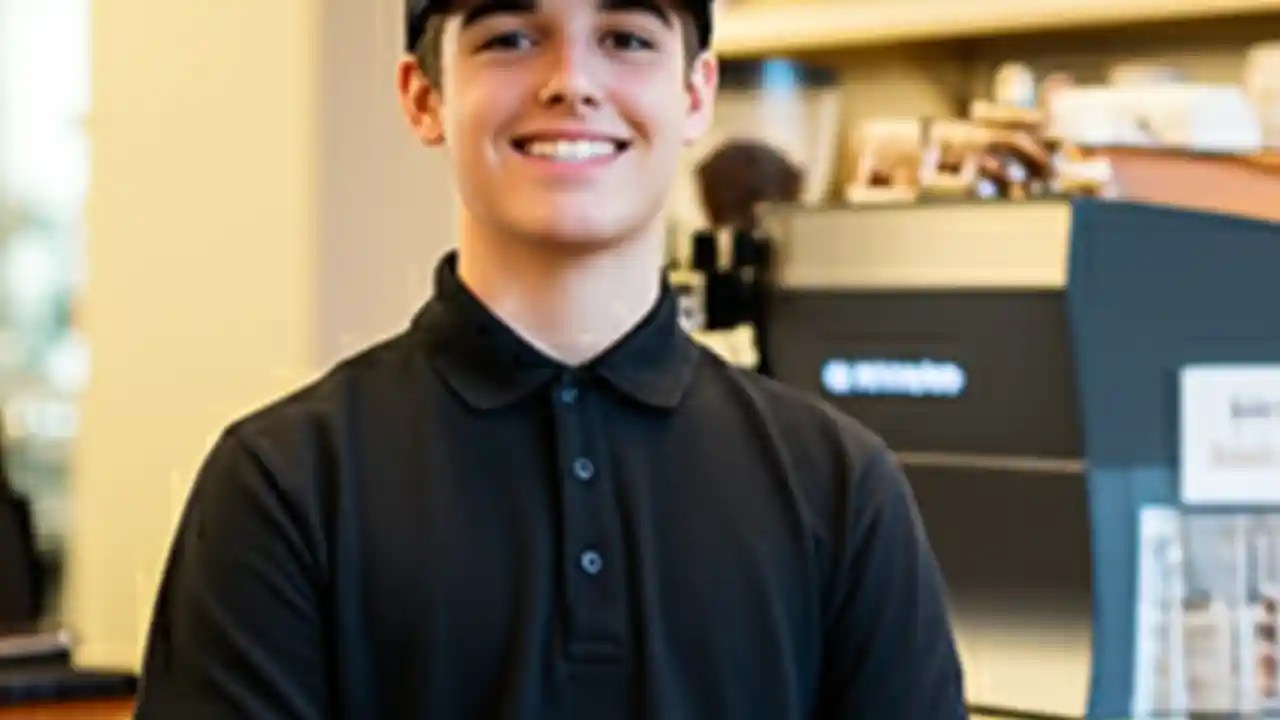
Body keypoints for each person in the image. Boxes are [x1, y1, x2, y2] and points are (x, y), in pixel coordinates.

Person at [134, 0, 967, 717]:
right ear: (423, 97)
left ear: (695, 94)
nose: (571, 80)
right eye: (509, 37)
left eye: (627, 37)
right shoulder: (284, 484)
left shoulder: (840, 486)